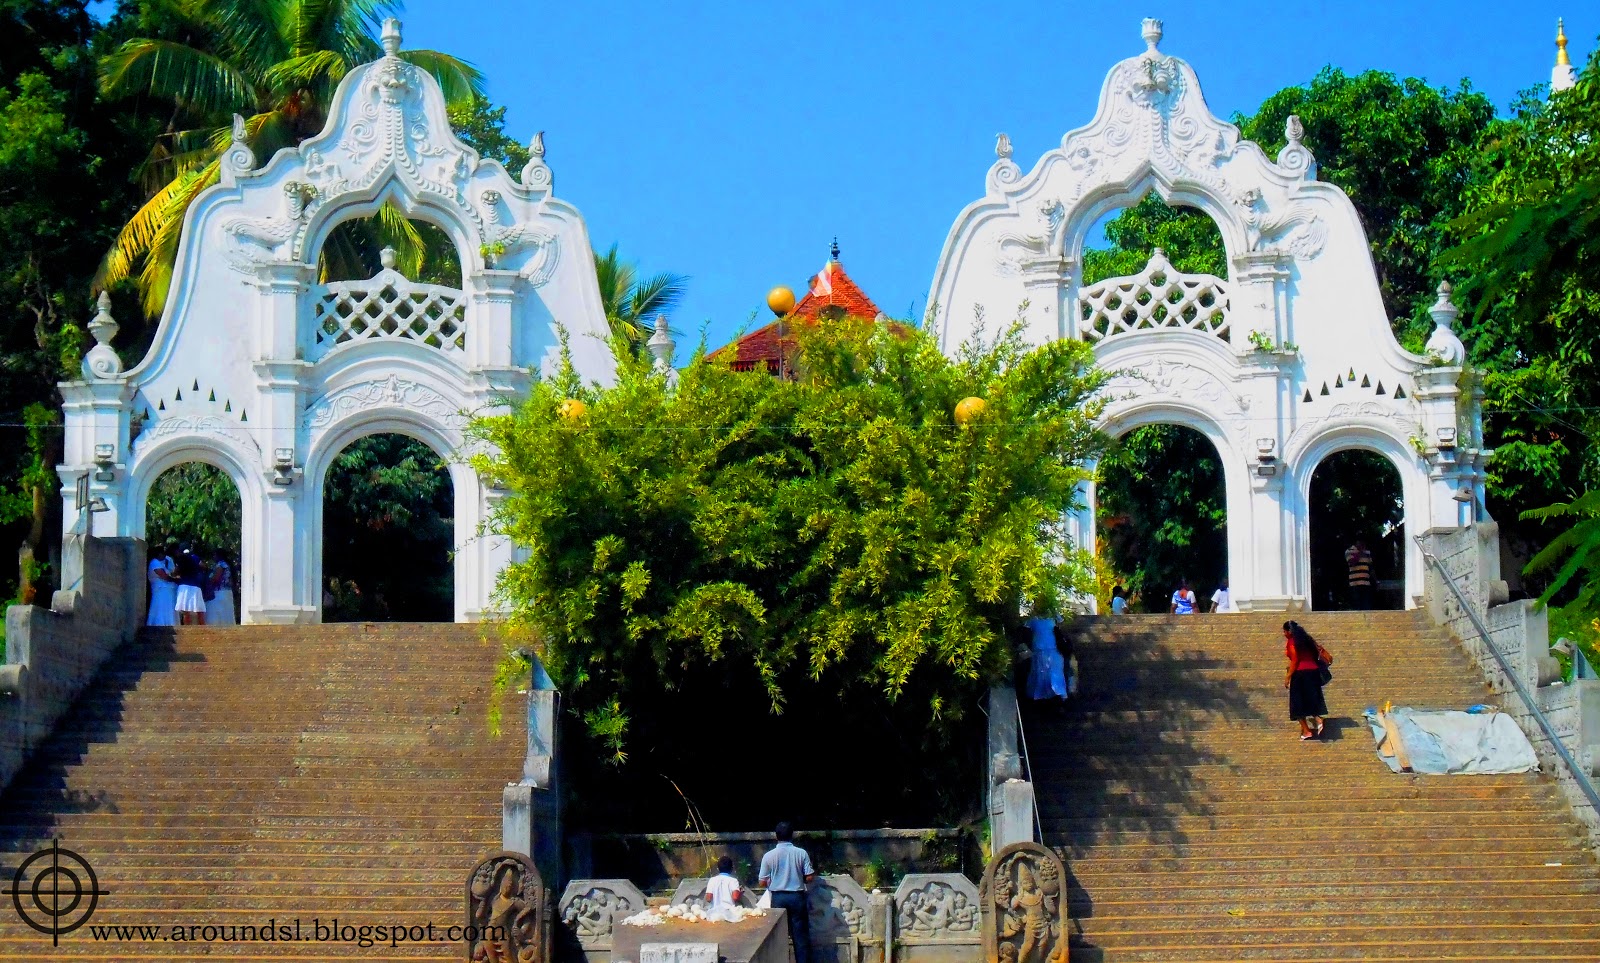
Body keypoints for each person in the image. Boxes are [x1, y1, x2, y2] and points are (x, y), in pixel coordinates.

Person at [758, 822, 813, 963]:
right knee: (800, 937)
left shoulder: (769, 856)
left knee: (778, 935)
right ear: (792, 835)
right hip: (797, 897)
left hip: (778, 898)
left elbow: (762, 882)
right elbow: (809, 877)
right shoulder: (801, 853)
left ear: (776, 836)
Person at [1283, 620, 1332, 740]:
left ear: (1289, 631)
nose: (1284, 634)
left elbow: (1295, 659)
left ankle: (1306, 731)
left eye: (1284, 631)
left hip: (1300, 673)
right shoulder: (1307, 639)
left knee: (1297, 703)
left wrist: (1288, 676)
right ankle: (1319, 720)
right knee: (1311, 697)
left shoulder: (1292, 641)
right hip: (1313, 672)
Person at [1024, 606, 1068, 706]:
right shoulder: (1034, 618)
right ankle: (1043, 697)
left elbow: (1062, 624)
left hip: (1054, 648)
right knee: (1041, 673)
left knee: (1054, 672)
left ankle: (1057, 696)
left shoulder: (1052, 614)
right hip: (1039, 649)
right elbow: (1026, 627)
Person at [174, 545, 207, 626]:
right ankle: (204, 629)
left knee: (185, 611)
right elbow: (204, 566)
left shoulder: (181, 559)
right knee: (199, 610)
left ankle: (187, 629)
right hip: (195, 585)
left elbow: (176, 572)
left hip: (184, 586)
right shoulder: (195, 557)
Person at [146, 544, 178, 627]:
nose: (164, 555)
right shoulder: (154, 563)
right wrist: (176, 580)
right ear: (158, 554)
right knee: (160, 608)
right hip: (160, 589)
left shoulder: (163, 563)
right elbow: (164, 576)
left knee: (168, 608)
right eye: (163, 553)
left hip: (166, 589)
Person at [207, 552, 237, 626]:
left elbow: (216, 578)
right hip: (227, 591)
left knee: (218, 611)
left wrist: (208, 582)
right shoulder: (228, 565)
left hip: (220, 592)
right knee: (227, 611)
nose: (213, 557)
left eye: (214, 555)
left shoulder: (221, 565)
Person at [1345, 540, 1374, 609]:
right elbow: (1352, 563)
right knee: (1357, 604)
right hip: (1355, 583)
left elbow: (1370, 567)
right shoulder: (1349, 551)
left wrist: (1375, 580)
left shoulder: (1367, 552)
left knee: (1366, 604)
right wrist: (1360, 552)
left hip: (1366, 582)